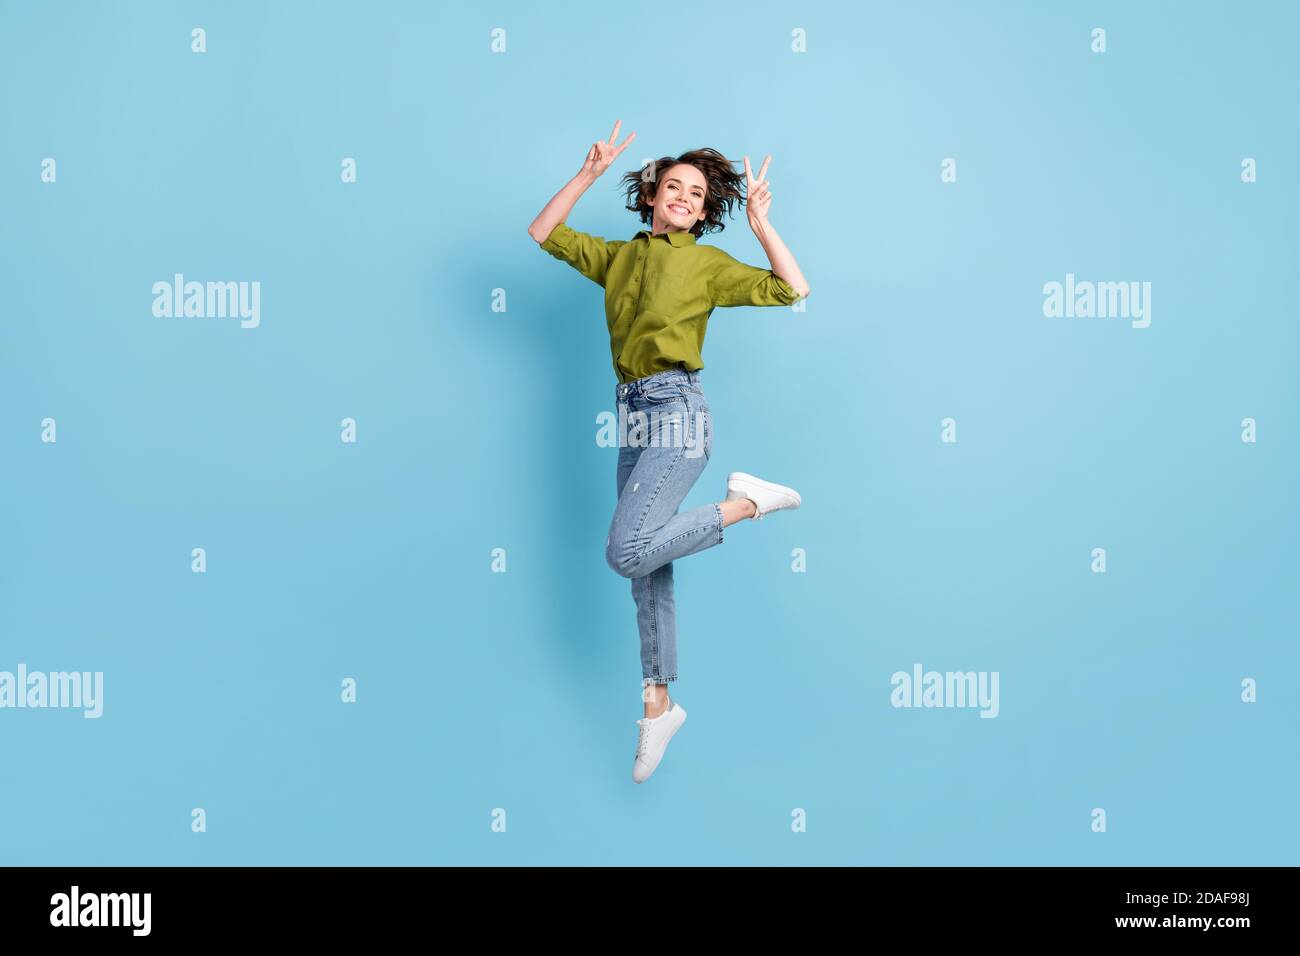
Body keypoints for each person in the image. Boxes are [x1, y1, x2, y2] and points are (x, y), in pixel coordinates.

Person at [528, 120, 812, 783]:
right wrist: (587, 173)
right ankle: (658, 702)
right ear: (653, 194)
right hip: (632, 415)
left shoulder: (705, 264)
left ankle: (746, 506)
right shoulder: (618, 258)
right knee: (646, 564)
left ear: (706, 212)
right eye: (674, 185)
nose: (684, 196)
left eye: (697, 193)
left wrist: (761, 224)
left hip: (678, 410)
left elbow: (792, 288)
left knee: (625, 549)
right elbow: (543, 232)